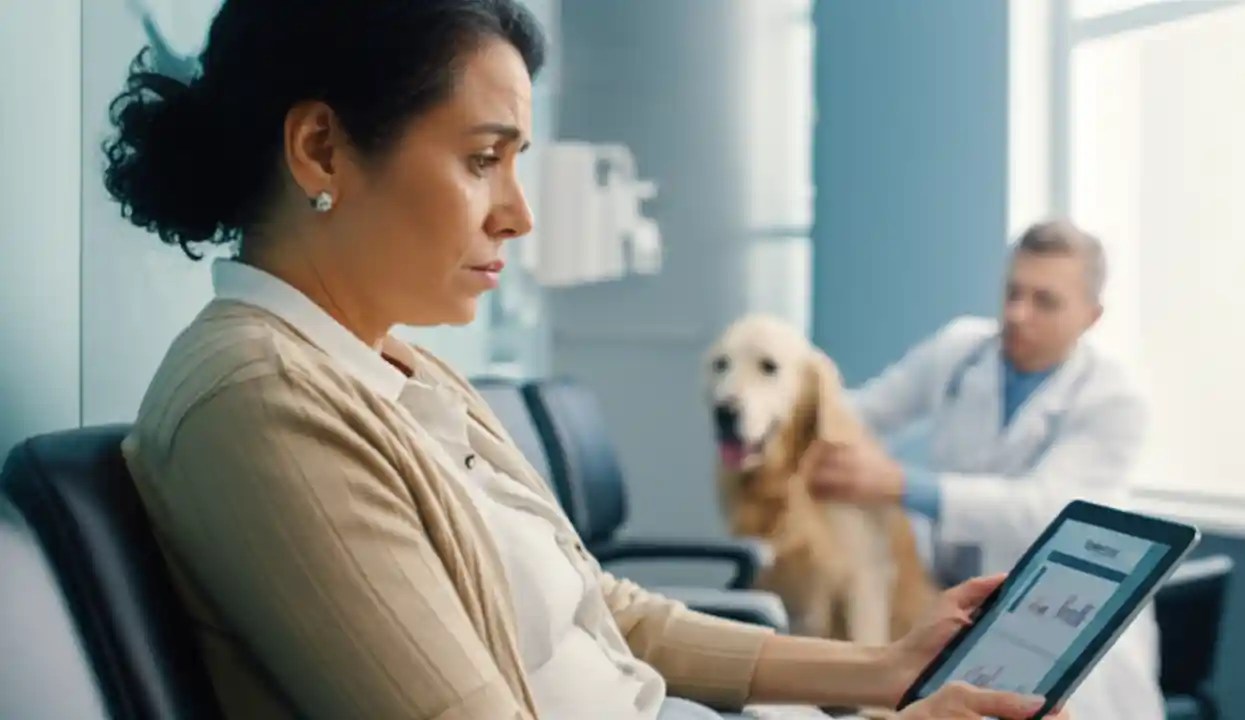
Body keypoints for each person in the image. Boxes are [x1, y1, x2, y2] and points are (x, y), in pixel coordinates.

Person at [103, 1, 1068, 718]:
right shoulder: (263, 403)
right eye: (484, 159)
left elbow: (600, 614)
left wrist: (881, 670)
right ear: (321, 150)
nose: (519, 213)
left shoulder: (396, 372)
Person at [807, 220, 1160, 720]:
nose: (1018, 313)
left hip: (1063, 619)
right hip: (958, 604)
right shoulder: (960, 350)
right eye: (1013, 292)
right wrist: (795, 402)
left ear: (1091, 315)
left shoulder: (1114, 398)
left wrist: (901, 484)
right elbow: (863, 411)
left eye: (1045, 301)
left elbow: (1044, 509)